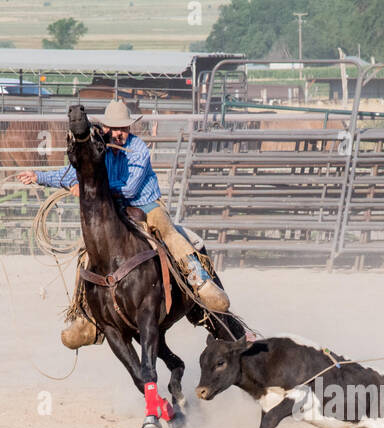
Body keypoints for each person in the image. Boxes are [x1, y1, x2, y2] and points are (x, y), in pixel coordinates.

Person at [19, 100, 229, 349]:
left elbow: (129, 187)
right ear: (106, 128)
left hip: (146, 205)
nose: (119, 133)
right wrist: (39, 177)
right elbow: (74, 172)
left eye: (124, 129)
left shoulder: (138, 149)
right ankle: (85, 314)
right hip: (114, 210)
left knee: (168, 231)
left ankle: (199, 281)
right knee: (89, 253)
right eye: (115, 128)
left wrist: (90, 188)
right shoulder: (102, 148)